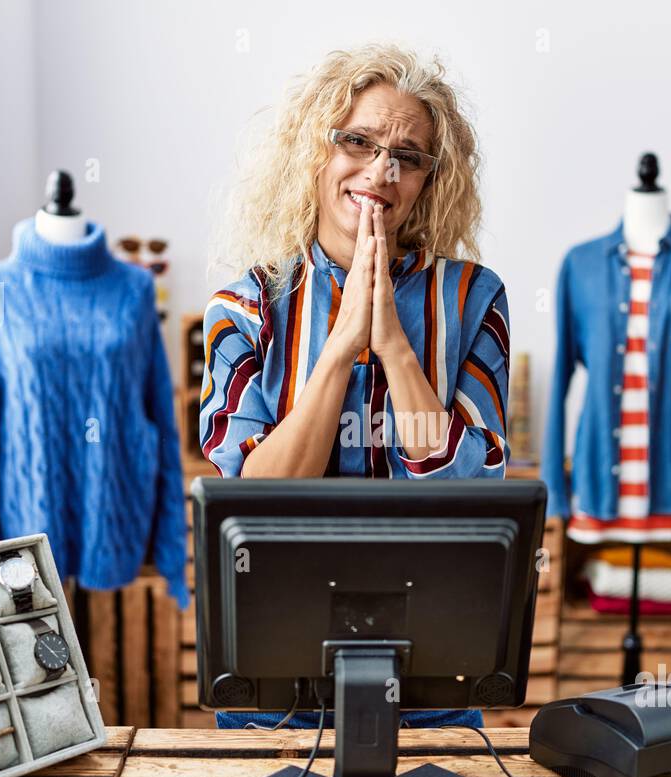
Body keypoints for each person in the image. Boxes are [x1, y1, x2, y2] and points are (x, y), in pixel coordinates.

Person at [201, 43, 511, 730]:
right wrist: (341, 348)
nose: (381, 171)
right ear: (315, 152)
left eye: (408, 155)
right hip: (275, 684)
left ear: (429, 179)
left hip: (432, 678)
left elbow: (469, 499)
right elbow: (254, 505)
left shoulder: (473, 299)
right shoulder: (244, 306)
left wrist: (395, 343)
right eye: (358, 142)